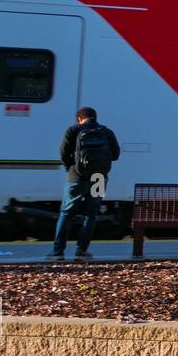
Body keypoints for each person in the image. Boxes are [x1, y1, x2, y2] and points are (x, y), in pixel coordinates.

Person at [47, 107, 120, 261]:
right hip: (99, 178)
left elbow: (63, 153)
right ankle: (82, 251)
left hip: (76, 177)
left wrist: (71, 169)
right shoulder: (106, 131)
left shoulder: (73, 130)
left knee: (66, 213)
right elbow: (116, 155)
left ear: (79, 118)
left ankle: (58, 252)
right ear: (95, 117)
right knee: (91, 215)